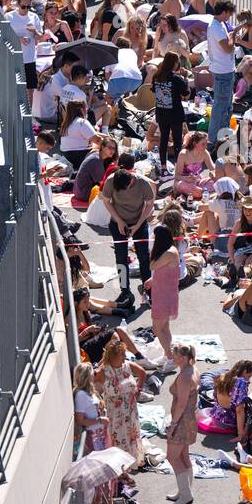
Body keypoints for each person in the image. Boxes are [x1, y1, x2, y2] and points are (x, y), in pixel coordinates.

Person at [99, 154, 155, 313]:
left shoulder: (142, 183)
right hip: (118, 222)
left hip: (139, 221)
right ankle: (125, 290)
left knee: (144, 255)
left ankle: (148, 288)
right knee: (121, 257)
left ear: (131, 180)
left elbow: (149, 205)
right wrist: (119, 220)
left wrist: (137, 225)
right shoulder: (111, 180)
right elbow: (106, 201)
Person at [95, 337, 144, 467]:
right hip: (115, 413)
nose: (124, 356)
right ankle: (120, 466)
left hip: (131, 410)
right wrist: (98, 401)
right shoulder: (103, 372)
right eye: (121, 354)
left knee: (131, 435)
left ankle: (132, 461)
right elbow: (90, 385)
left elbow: (142, 373)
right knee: (119, 437)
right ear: (112, 356)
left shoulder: (127, 365)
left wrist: (139, 389)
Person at [165, 342, 199, 504]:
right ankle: (185, 491)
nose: (173, 357)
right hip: (188, 420)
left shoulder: (185, 376)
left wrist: (172, 425)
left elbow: (181, 404)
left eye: (176, 355)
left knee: (172, 457)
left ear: (184, 358)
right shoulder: (192, 369)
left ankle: (186, 495)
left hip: (182, 422)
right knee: (183, 455)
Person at [148, 226, 180, 370]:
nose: (153, 240)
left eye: (155, 238)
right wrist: (152, 280)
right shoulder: (170, 250)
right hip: (164, 293)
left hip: (164, 296)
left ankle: (170, 357)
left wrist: (152, 251)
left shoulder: (168, 253)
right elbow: (162, 271)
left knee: (157, 328)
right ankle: (168, 353)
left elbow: (153, 265)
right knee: (164, 327)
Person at [206, 0, 237, 145]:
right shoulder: (217, 27)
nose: (229, 17)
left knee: (225, 107)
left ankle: (221, 139)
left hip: (223, 70)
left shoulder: (219, 25)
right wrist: (232, 37)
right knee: (220, 108)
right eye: (229, 14)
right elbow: (228, 48)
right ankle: (213, 141)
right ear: (224, 12)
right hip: (223, 72)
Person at [8, 0, 44, 92]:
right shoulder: (10, 17)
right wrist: (19, 39)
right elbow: (4, 36)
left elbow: (40, 37)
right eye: (23, 7)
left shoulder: (34, 17)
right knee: (14, 89)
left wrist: (35, 32)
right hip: (14, 58)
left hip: (29, 58)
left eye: (29, 7)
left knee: (30, 90)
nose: (26, 9)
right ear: (18, 4)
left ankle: (30, 109)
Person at [72, 361, 110, 453]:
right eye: (93, 373)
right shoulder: (81, 395)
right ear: (88, 376)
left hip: (101, 433)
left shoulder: (90, 391)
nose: (95, 375)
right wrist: (99, 420)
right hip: (93, 436)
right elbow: (79, 420)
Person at [173, 130, 215, 200]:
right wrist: (186, 178)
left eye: (206, 144)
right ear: (195, 143)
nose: (206, 146)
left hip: (198, 181)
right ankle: (204, 193)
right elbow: (177, 177)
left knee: (216, 181)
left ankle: (200, 193)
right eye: (203, 144)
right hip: (184, 182)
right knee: (181, 185)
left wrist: (215, 174)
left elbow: (213, 169)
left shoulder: (205, 152)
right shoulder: (183, 154)